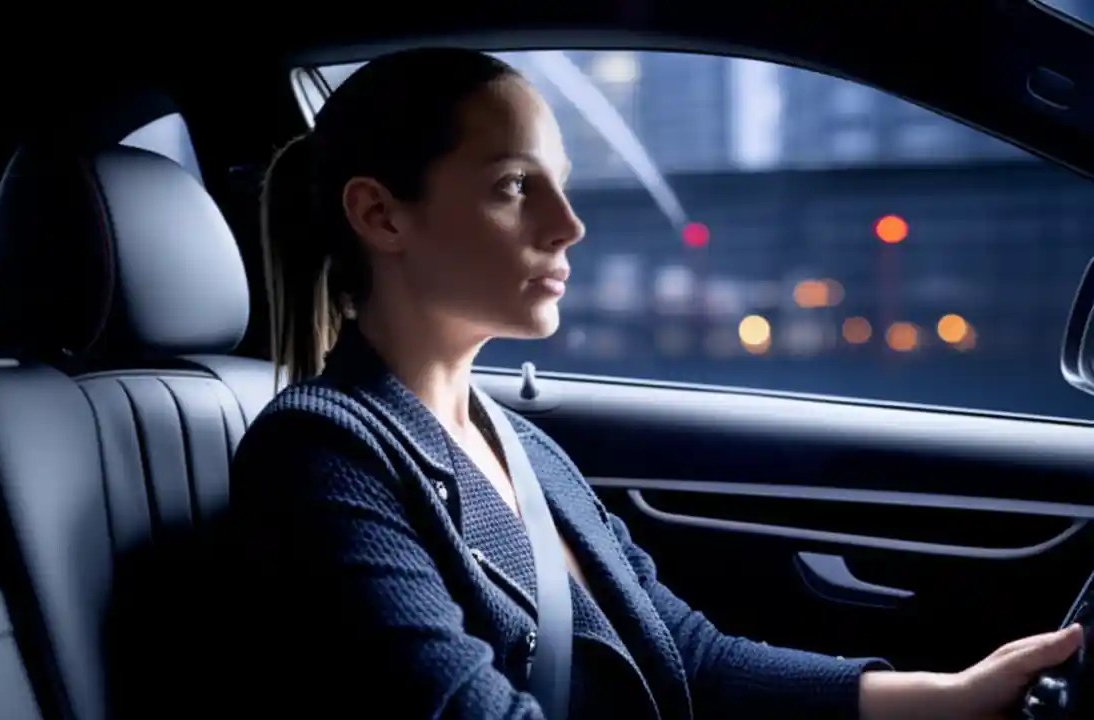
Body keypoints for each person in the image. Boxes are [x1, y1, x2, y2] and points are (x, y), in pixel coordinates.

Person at [228, 47, 1082, 719]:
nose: (568, 224)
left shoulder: (521, 447)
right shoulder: (323, 453)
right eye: (514, 186)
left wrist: (947, 695)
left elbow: (689, 659)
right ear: (381, 215)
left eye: (558, 184)